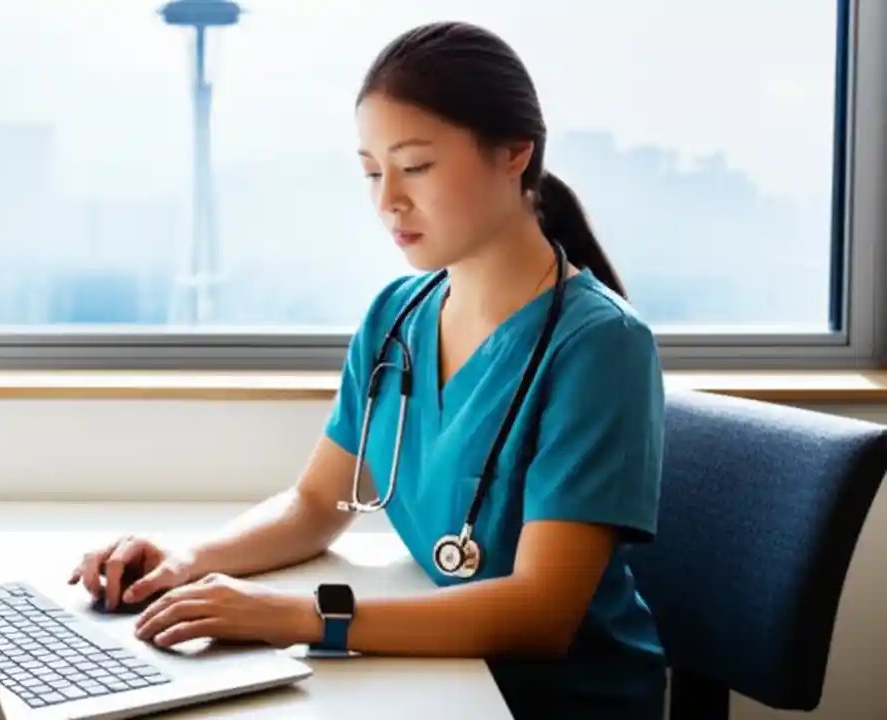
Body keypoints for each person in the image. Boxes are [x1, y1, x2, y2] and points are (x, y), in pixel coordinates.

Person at [69, 20, 666, 720]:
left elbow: (540, 613)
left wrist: (298, 617)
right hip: (433, 682)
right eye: (371, 172)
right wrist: (187, 562)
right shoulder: (398, 315)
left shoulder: (599, 346)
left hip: (552, 702)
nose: (387, 202)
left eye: (415, 167)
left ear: (514, 154)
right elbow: (317, 505)